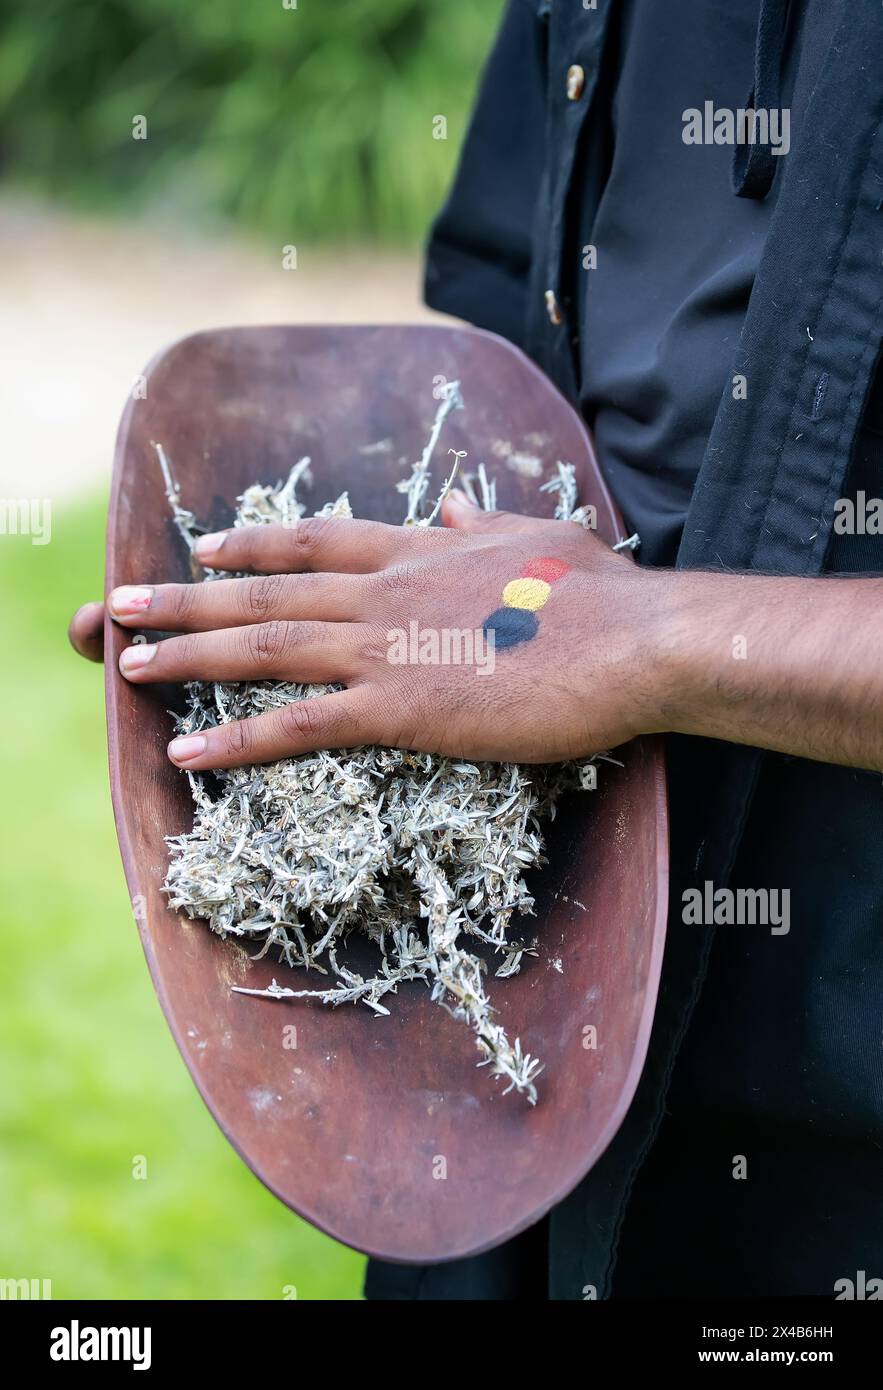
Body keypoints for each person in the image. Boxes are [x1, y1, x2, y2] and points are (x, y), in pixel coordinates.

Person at [70, 0, 883, 1299]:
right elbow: (507, 332)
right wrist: (306, 605)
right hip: (499, 1054)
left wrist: (651, 639)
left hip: (830, 1099)